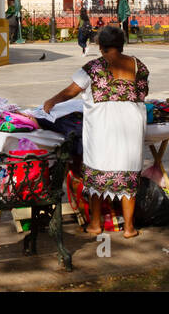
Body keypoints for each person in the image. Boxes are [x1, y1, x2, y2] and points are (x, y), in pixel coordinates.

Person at [43, 25, 148, 238]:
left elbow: (72, 91)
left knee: (97, 174)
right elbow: (143, 94)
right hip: (131, 127)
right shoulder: (138, 66)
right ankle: (129, 228)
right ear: (122, 44)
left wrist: (52, 101)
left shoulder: (92, 67)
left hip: (103, 128)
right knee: (128, 174)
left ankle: (95, 224)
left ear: (100, 47)